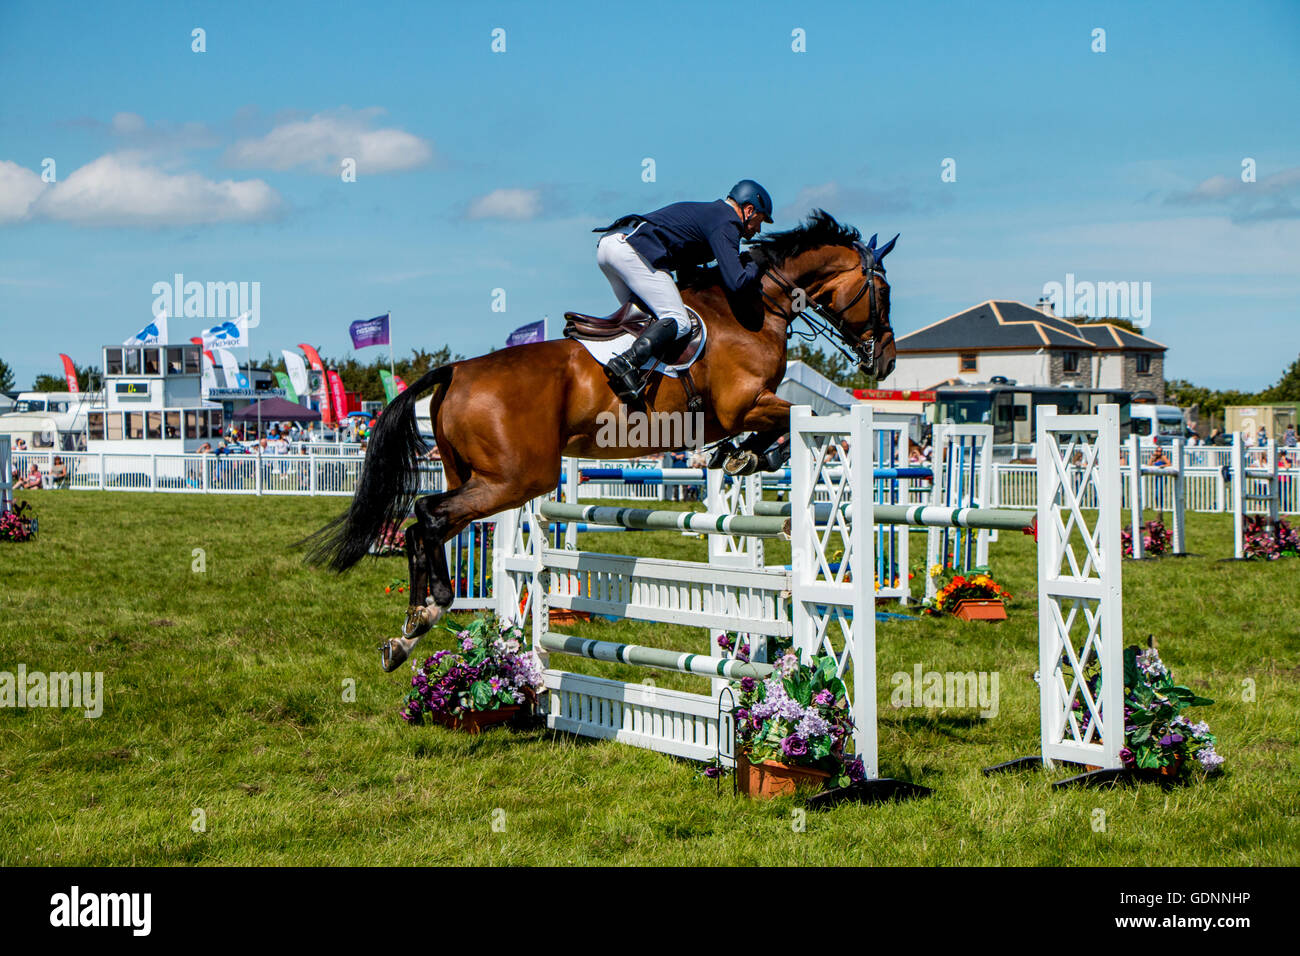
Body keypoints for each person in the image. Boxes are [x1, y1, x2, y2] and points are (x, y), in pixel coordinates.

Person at [592, 179, 774, 403]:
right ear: (748, 210)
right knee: (678, 320)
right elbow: (737, 283)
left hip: (611, 246)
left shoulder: (713, 215)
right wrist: (757, 261)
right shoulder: (727, 222)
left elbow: (689, 276)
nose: (758, 229)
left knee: (644, 322)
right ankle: (625, 363)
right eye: (760, 220)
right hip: (630, 250)